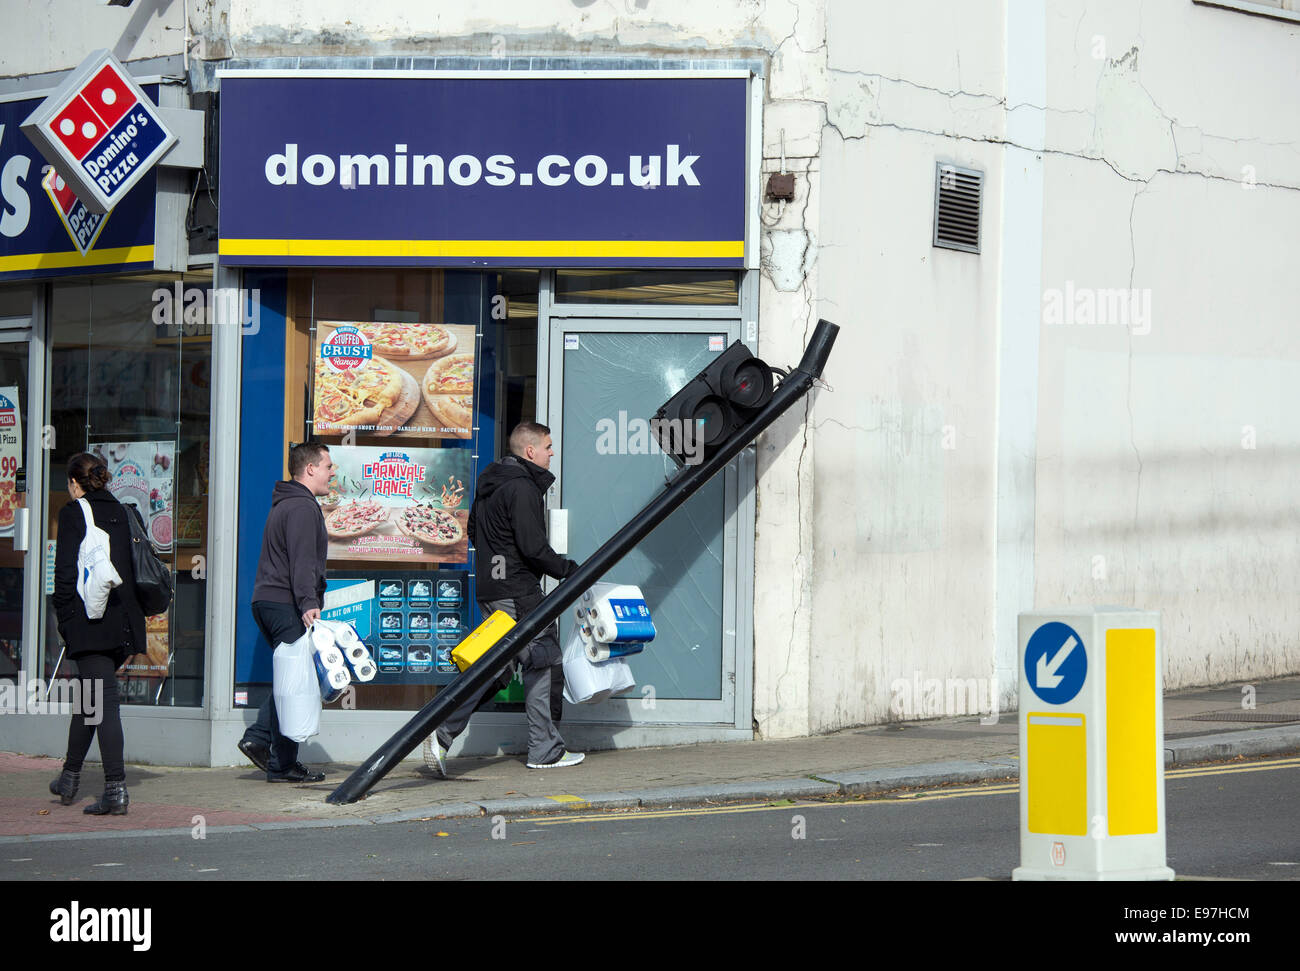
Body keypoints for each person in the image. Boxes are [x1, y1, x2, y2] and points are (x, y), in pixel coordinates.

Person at [425, 421, 584, 774]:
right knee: (542, 658)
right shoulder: (522, 488)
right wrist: (567, 568)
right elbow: (532, 546)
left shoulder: (490, 485)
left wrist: (495, 567)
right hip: (516, 590)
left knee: (496, 668)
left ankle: (443, 731)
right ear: (531, 451)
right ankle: (544, 750)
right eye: (548, 446)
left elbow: (473, 533)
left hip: (492, 589)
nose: (551, 452)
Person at [50, 453, 144, 816]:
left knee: (101, 703)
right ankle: (69, 777)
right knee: (89, 701)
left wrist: (65, 619)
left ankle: (115, 789)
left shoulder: (74, 513)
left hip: (90, 623)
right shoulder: (124, 512)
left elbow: (64, 576)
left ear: (75, 483)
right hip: (122, 624)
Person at [238, 441, 334, 783]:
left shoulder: (286, 503)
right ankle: (263, 743)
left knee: (293, 681)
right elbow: (302, 560)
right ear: (310, 469)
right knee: (296, 683)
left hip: (268, 601)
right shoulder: (303, 508)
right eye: (327, 466)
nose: (331, 472)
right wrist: (309, 602)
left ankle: (277, 759)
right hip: (285, 603)